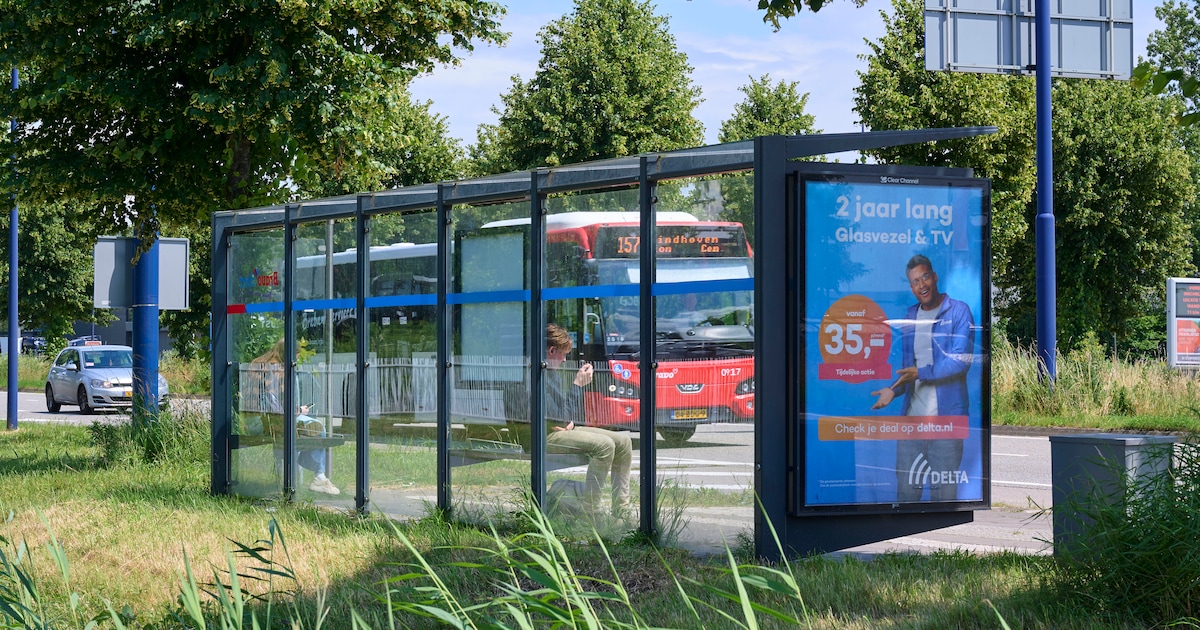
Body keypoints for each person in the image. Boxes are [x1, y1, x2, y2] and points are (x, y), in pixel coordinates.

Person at [870, 255, 974, 502]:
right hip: (912, 424)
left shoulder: (959, 311)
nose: (922, 285)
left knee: (945, 499)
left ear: (935, 277)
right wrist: (893, 391)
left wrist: (921, 373)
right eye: (915, 281)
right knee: (906, 496)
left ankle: (944, 542)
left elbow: (960, 361)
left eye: (925, 277)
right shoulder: (910, 315)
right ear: (911, 288)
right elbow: (909, 370)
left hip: (946, 424)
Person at [543, 323, 633, 518]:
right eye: (563, 354)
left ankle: (622, 511)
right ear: (551, 350)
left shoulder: (552, 376)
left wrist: (567, 421)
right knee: (604, 445)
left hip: (560, 429)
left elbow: (563, 416)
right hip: (544, 435)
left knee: (624, 441)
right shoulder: (539, 376)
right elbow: (558, 417)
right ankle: (590, 512)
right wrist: (577, 385)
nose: (565, 359)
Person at [252, 339, 340, 495]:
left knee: (305, 429)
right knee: (319, 429)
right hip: (273, 421)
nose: (297, 360)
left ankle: (299, 479)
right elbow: (277, 407)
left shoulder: (258, 364)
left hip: (254, 421)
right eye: (297, 356)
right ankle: (318, 476)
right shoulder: (278, 369)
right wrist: (299, 410)